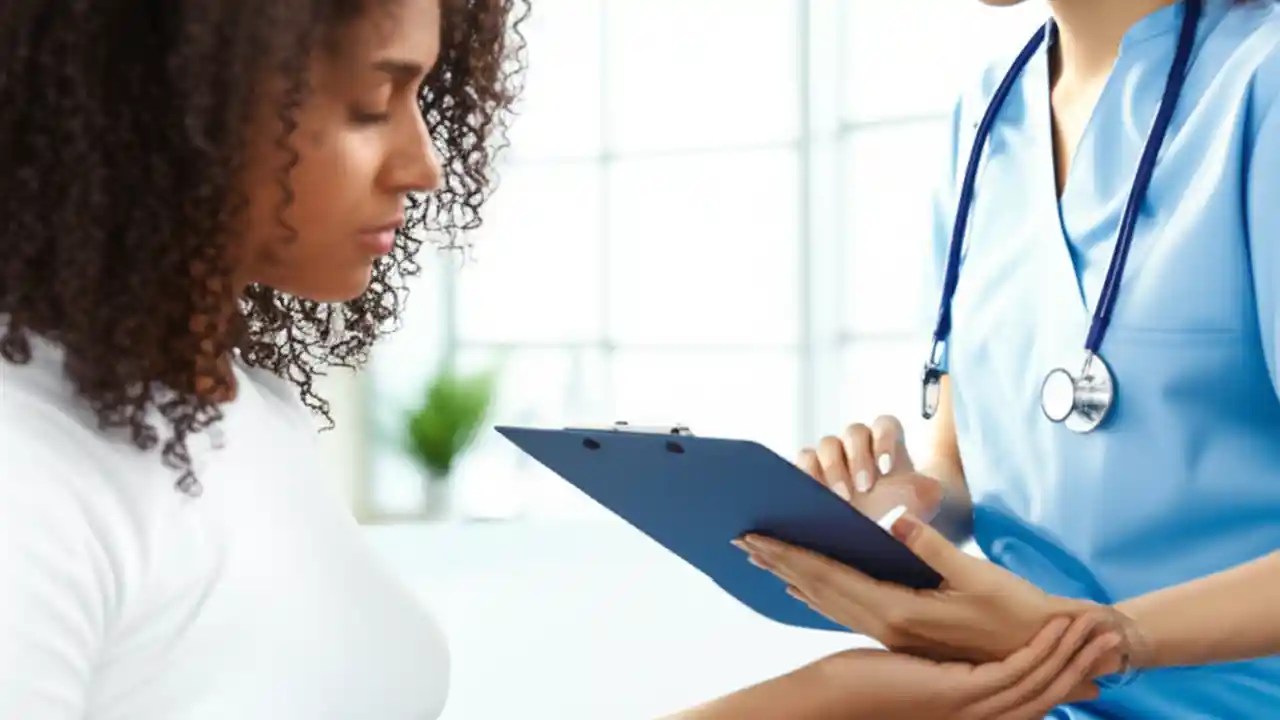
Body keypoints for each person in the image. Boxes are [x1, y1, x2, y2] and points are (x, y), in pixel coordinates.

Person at [0, 1, 1127, 719]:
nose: (423, 164)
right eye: (370, 102)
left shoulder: (243, 414)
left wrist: (812, 703)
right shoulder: (29, 474)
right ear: (165, 109)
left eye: (425, 98)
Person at [739, 0, 1280, 717]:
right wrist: (903, 513)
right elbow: (962, 468)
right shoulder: (988, 113)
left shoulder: (1260, 83)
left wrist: (1117, 637)